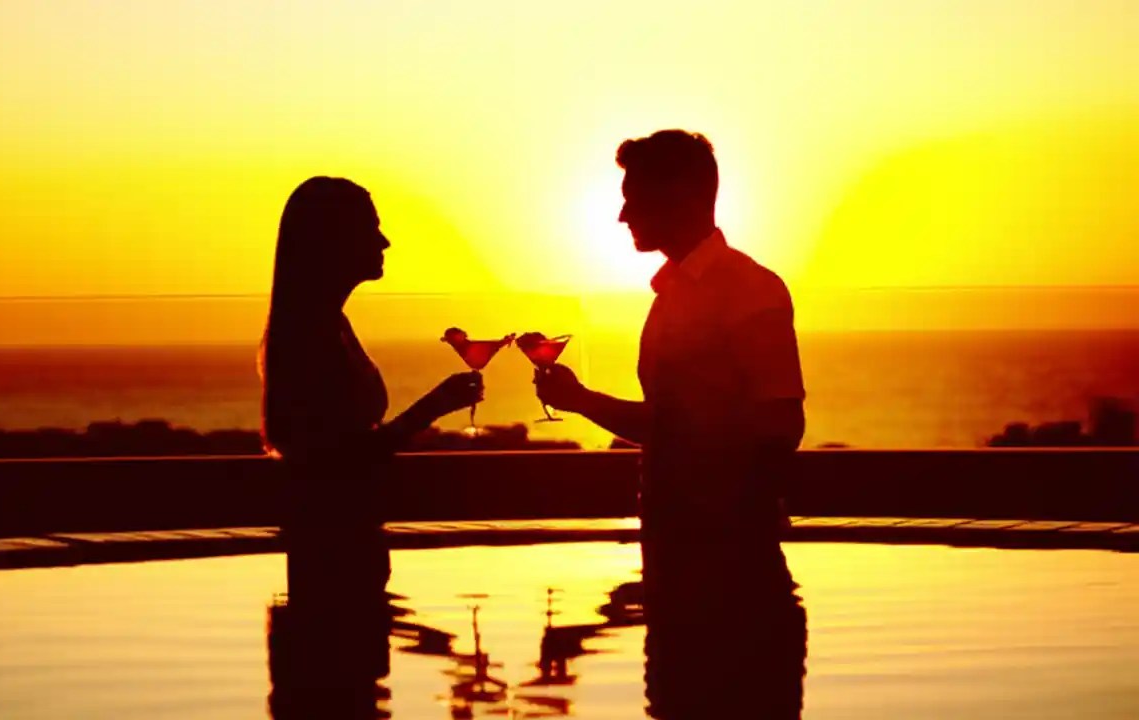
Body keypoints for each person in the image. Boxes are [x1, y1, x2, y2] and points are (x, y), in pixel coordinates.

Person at [535, 130, 808, 718]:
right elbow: (670, 426)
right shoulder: (673, 294)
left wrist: (731, 543)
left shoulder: (750, 289)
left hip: (731, 578)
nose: (621, 213)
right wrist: (581, 400)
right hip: (678, 565)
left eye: (634, 197)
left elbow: (780, 423)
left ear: (681, 196)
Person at [259, 176, 482, 638]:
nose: (384, 240)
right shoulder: (309, 334)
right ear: (332, 241)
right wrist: (433, 406)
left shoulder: (328, 323)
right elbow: (335, 459)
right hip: (331, 548)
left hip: (351, 541)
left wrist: (416, 635)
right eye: (370, 228)